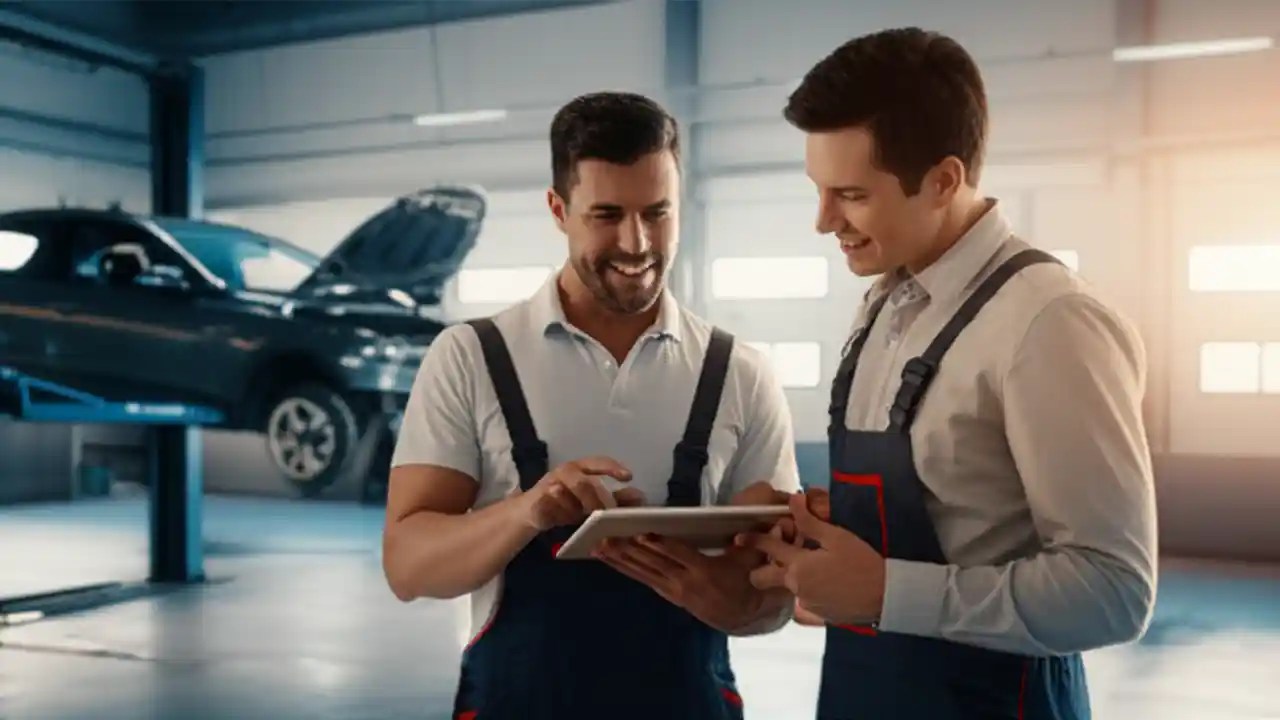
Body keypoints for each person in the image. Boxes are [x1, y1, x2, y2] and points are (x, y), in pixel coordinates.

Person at [737, 27, 1158, 719]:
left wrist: (881, 592)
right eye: (817, 189)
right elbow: (951, 508)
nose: (823, 222)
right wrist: (832, 539)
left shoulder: (1050, 323)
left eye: (850, 195)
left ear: (943, 180)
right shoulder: (884, 304)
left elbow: (1112, 592)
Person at [382, 91, 801, 720]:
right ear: (559, 209)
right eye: (607, 214)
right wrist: (526, 512)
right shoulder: (471, 358)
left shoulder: (739, 373)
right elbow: (408, 567)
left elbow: (774, 592)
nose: (636, 243)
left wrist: (730, 598)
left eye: (657, 213)